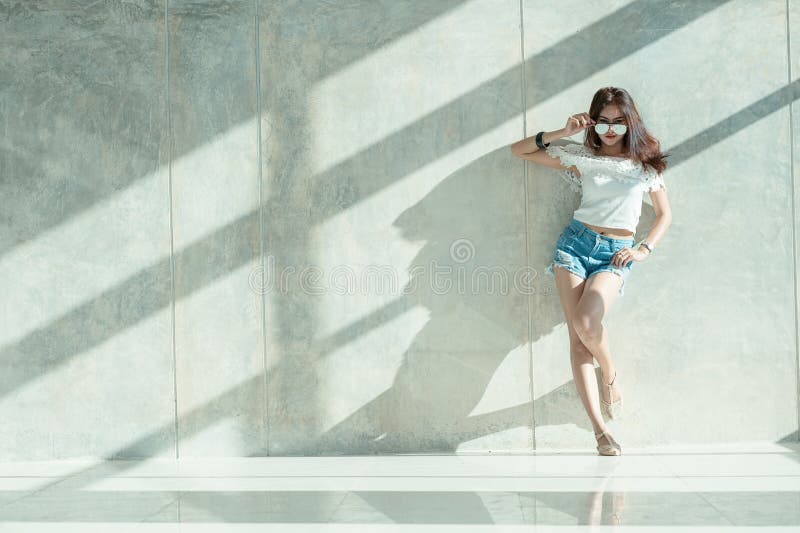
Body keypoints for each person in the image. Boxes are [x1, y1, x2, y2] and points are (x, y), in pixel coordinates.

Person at [509, 87, 673, 456]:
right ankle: (601, 432)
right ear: (593, 124)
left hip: (615, 255)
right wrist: (562, 132)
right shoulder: (584, 158)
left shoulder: (645, 165)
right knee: (578, 339)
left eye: (618, 122)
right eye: (603, 122)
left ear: (630, 123)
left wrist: (643, 248)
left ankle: (609, 372)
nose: (610, 130)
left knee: (586, 322)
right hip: (574, 246)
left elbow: (664, 214)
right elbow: (519, 151)